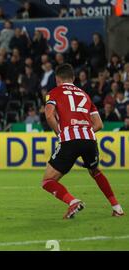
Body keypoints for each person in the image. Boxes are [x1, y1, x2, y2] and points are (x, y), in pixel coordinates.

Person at [43, 63, 123, 219]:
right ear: (73, 78)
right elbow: (99, 124)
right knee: (95, 172)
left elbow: (48, 115)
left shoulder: (54, 92)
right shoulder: (84, 94)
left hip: (70, 140)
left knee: (47, 181)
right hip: (89, 139)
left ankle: (73, 201)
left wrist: (60, 133)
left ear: (57, 79)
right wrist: (84, 131)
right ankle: (117, 208)